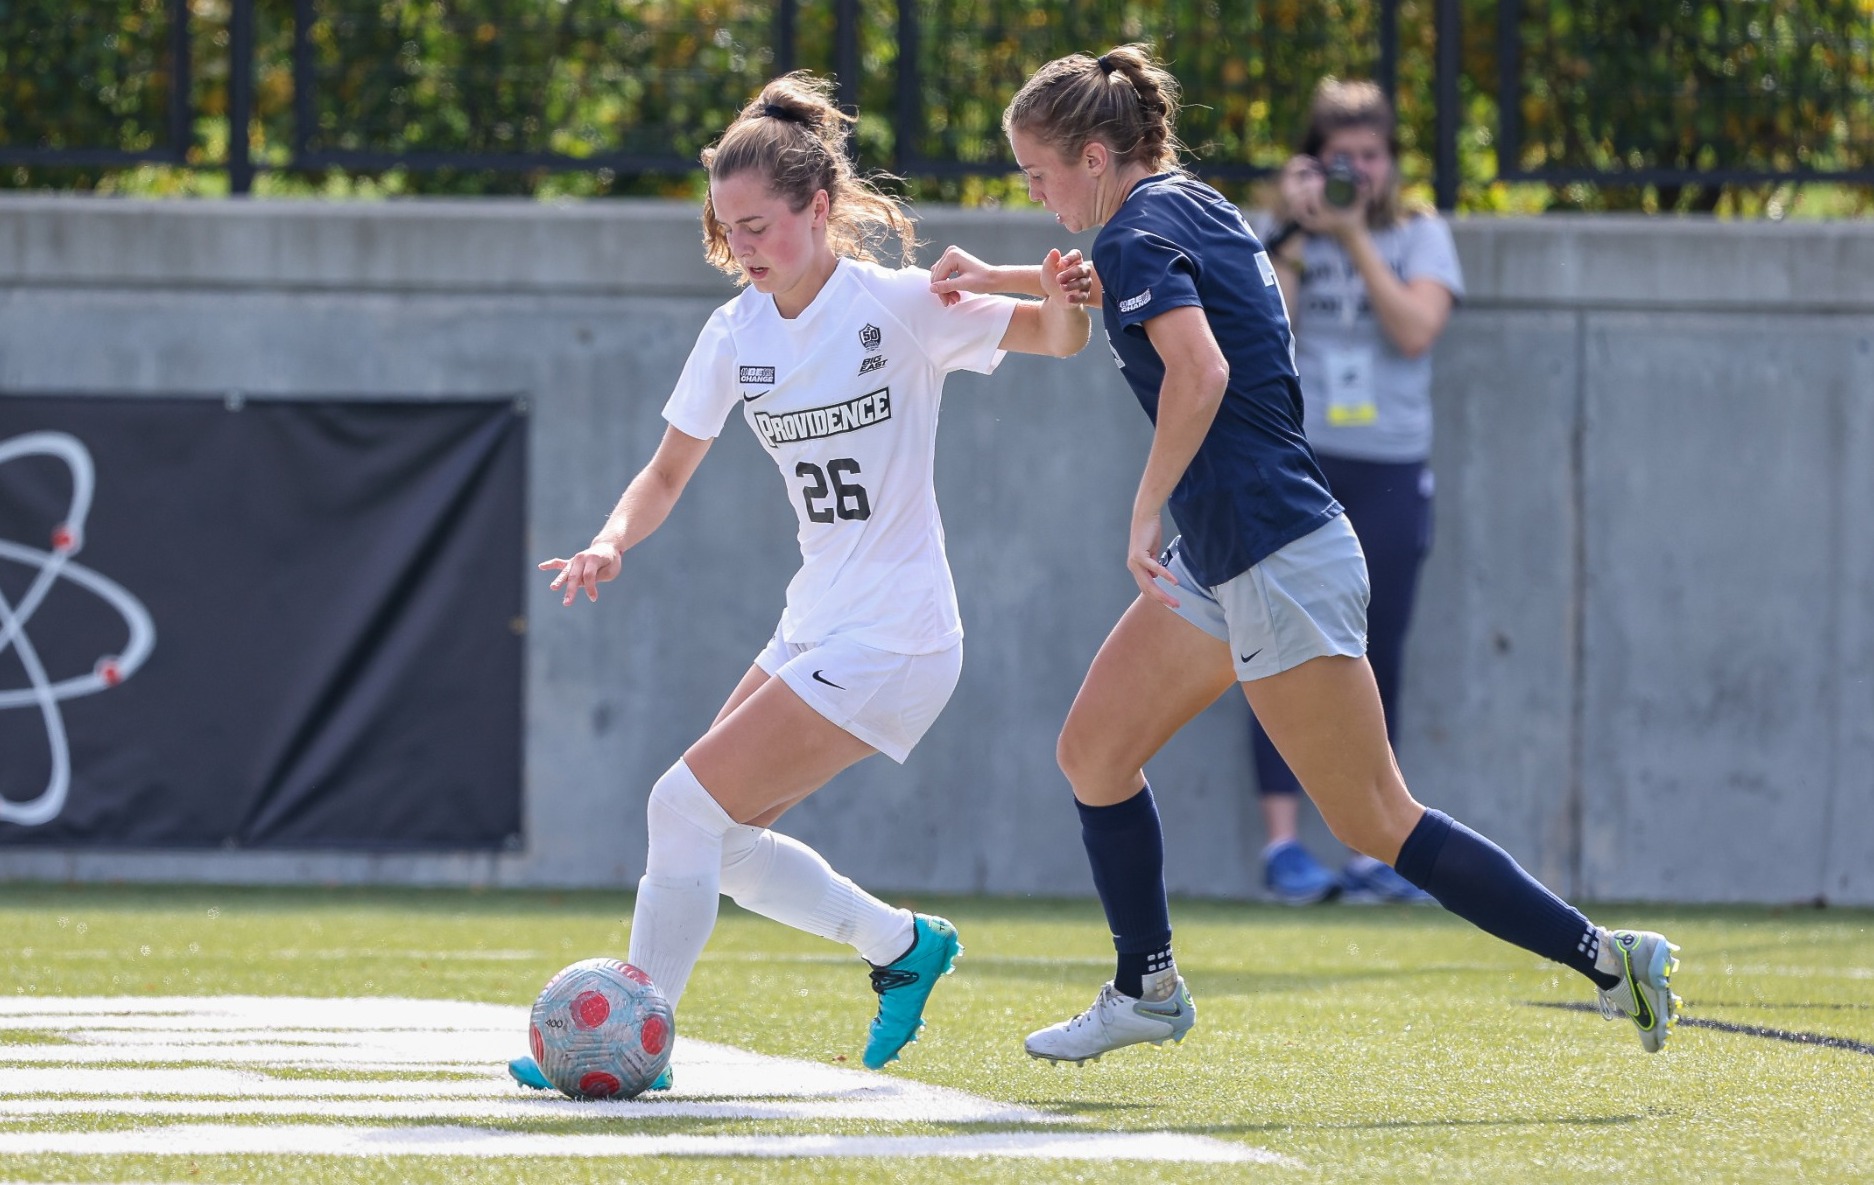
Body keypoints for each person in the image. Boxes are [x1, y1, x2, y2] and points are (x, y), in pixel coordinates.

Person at [928, 44, 1680, 1065]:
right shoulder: (1180, 209)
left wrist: (1142, 508)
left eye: (1037, 173)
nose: (1034, 192)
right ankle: (1144, 988)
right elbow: (1117, 283)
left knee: (1375, 821)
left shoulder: (1143, 231)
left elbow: (1198, 372)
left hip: (1273, 554)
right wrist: (995, 277)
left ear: (1095, 157)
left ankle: (1606, 957)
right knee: (1094, 754)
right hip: (1230, 554)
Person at [510, 71, 1092, 1092]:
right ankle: (902, 945)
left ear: (818, 209)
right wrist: (610, 541)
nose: (743, 245)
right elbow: (664, 471)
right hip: (816, 623)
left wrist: (1055, 289)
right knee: (721, 843)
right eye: (727, 228)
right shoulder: (734, 334)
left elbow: (1058, 337)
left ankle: (637, 1036)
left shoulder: (901, 307)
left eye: (760, 225)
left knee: (678, 807)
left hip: (899, 638)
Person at [1250, 79, 1464, 906]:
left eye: (1371, 157)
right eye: (1341, 159)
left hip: (1389, 467)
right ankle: (1282, 848)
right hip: (1299, 461)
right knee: (1273, 650)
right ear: (1312, 161)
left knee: (1375, 656)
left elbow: (1415, 330)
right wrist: (1303, 230)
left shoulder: (1418, 233)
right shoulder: (1285, 234)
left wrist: (1357, 237)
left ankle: (1380, 846)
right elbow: (1264, 333)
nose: (1357, 173)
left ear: (1393, 163)